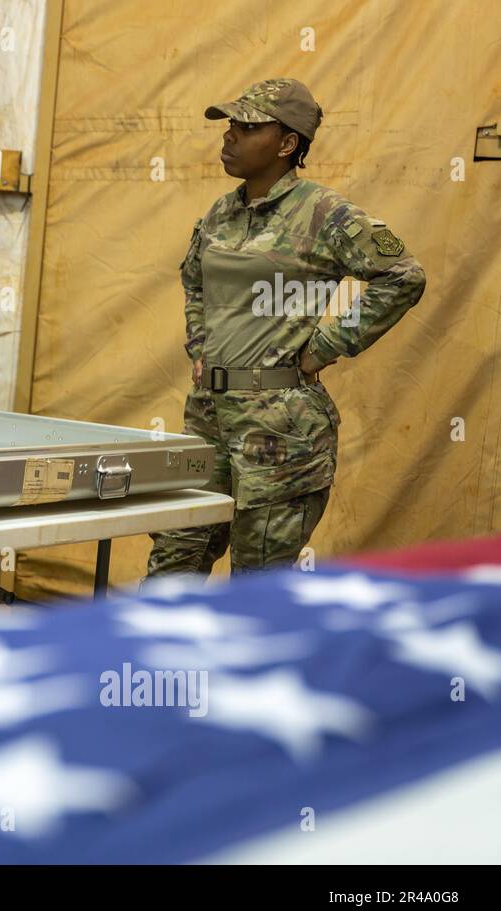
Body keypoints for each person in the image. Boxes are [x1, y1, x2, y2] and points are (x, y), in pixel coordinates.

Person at [144, 78, 426, 578]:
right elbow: (194, 281)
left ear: (287, 143)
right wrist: (200, 344)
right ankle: (161, 659)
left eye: (247, 126)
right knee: (172, 570)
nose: (229, 135)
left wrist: (327, 345)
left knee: (256, 591)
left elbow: (402, 276)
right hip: (208, 418)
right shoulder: (222, 212)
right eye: (230, 125)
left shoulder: (323, 213)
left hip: (280, 433)